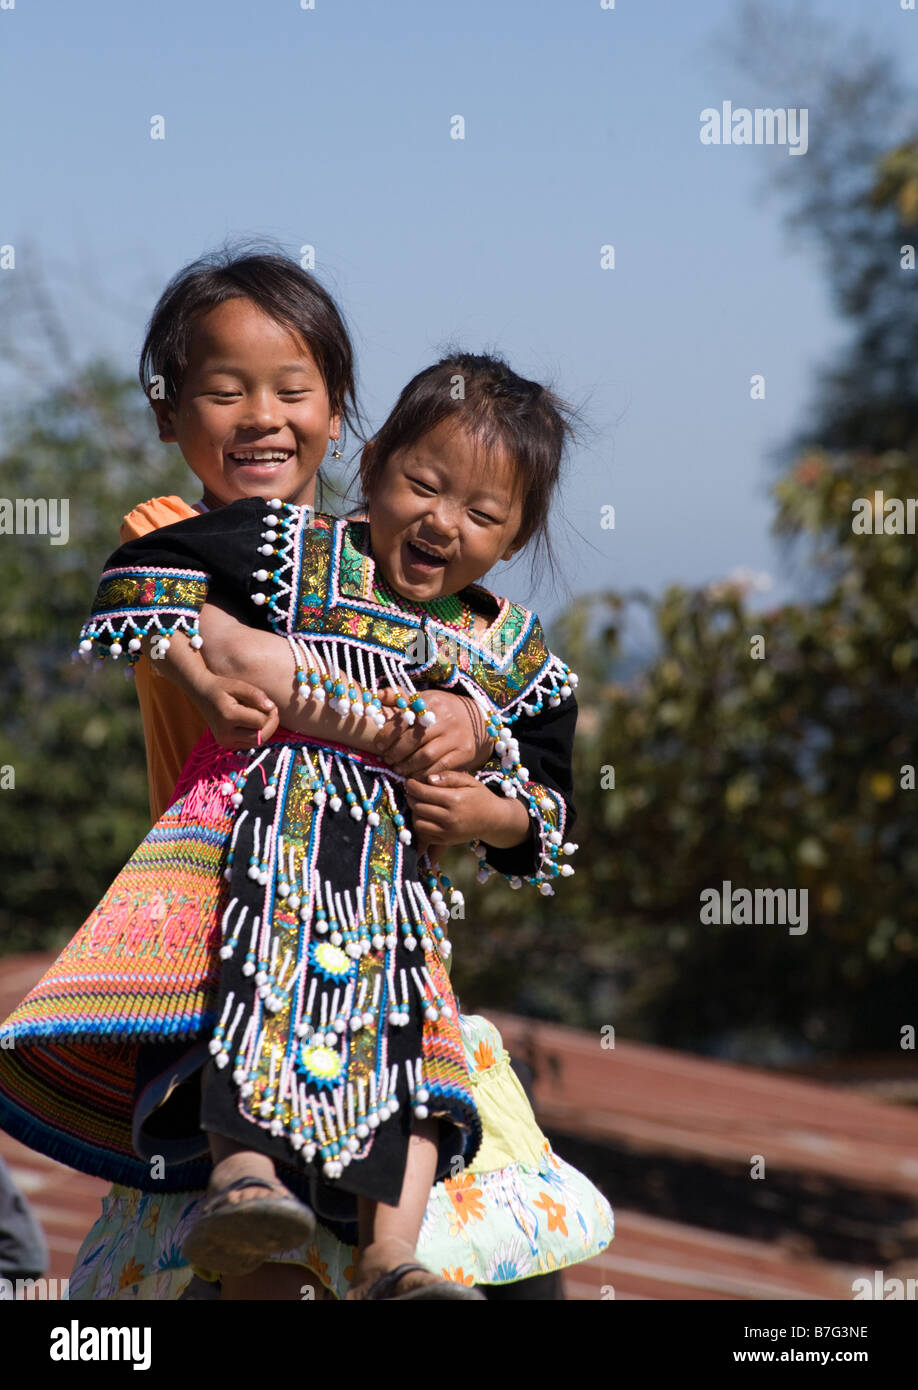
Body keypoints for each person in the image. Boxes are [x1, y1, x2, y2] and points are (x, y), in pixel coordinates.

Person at [0, 252, 612, 1298]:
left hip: (383, 918)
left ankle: (392, 1256)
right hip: (232, 895)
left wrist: (486, 793)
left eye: (293, 392)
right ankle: (256, 1197)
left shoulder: (476, 625)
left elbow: (548, 776)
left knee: (426, 1106)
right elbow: (221, 634)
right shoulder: (230, 543)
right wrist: (422, 712)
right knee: (249, 1150)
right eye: (224, 391)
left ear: (339, 419)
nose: (262, 418)